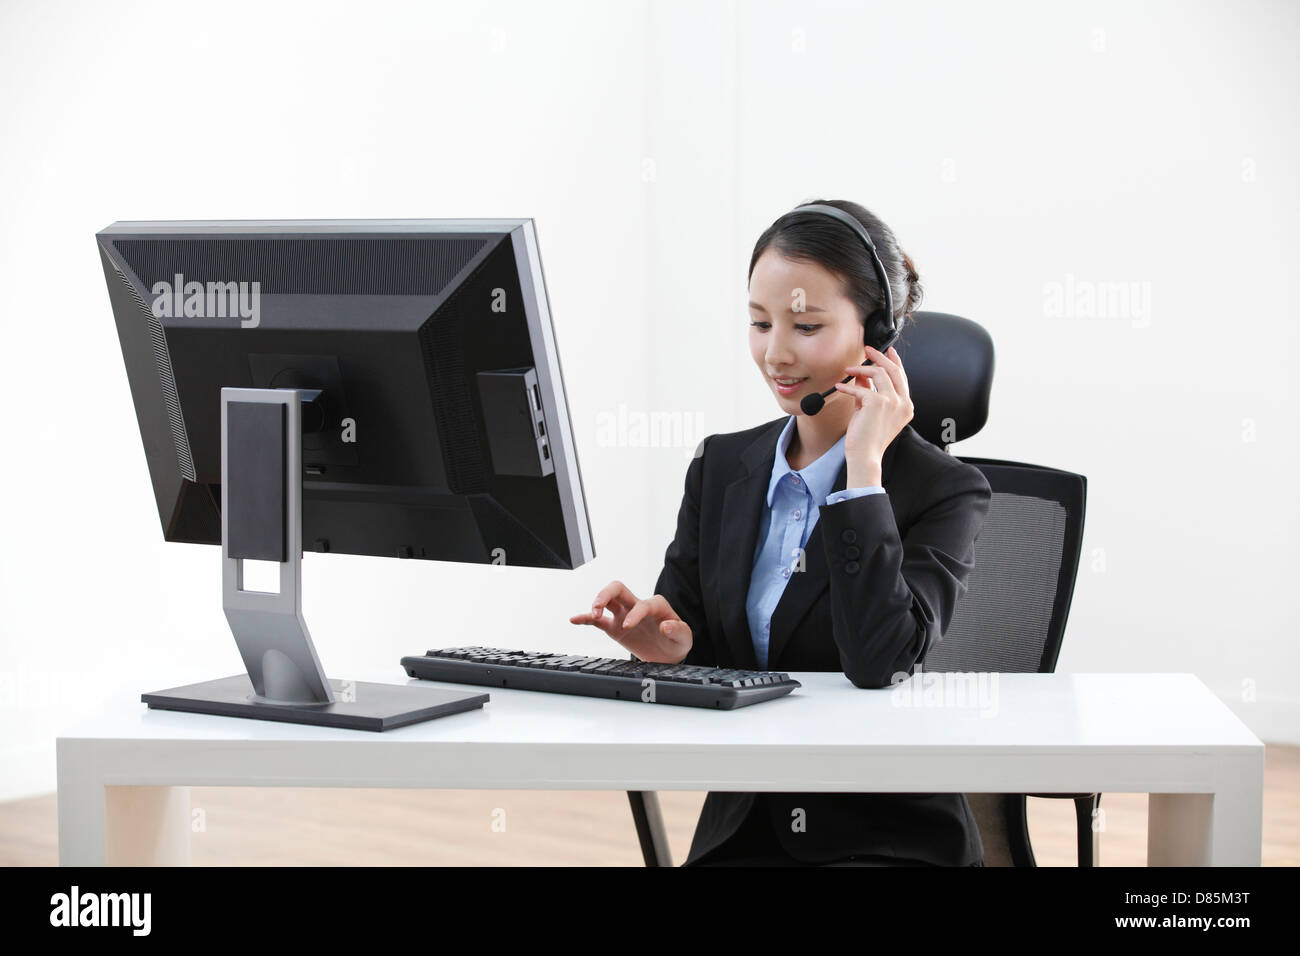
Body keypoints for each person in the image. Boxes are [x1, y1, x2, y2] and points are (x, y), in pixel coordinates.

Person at [570, 199, 991, 867]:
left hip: (885, 840)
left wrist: (862, 475)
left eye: (807, 326)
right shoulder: (722, 468)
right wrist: (669, 646)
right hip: (744, 833)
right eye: (760, 323)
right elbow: (702, 642)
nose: (776, 353)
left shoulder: (944, 491)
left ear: (876, 338)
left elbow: (879, 661)